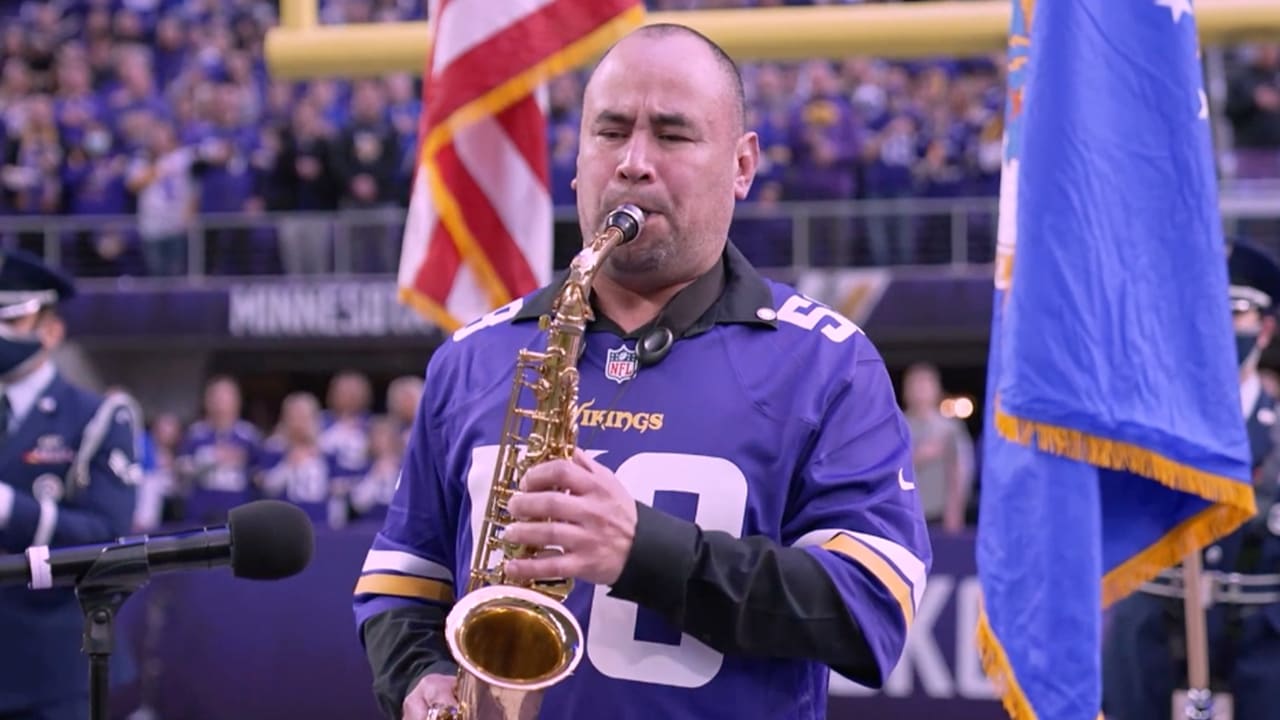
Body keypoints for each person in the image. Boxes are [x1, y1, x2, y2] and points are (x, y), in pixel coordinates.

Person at [352, 24, 932, 720]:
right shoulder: (472, 354)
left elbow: (871, 610)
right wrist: (417, 679)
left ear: (743, 165)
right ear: (576, 159)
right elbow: (403, 584)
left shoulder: (828, 363)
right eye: (611, 130)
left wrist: (643, 550)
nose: (633, 162)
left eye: (672, 134)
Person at [1101, 239, 1280, 720]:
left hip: (1262, 639)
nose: (1220, 328)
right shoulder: (1148, 426)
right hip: (1153, 631)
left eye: (1236, 312)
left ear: (1265, 329)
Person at [0, 249, 141, 720]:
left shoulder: (97, 417)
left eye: (11, 318)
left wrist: (13, 511)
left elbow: (106, 535)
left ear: (51, 330)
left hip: (52, 663)